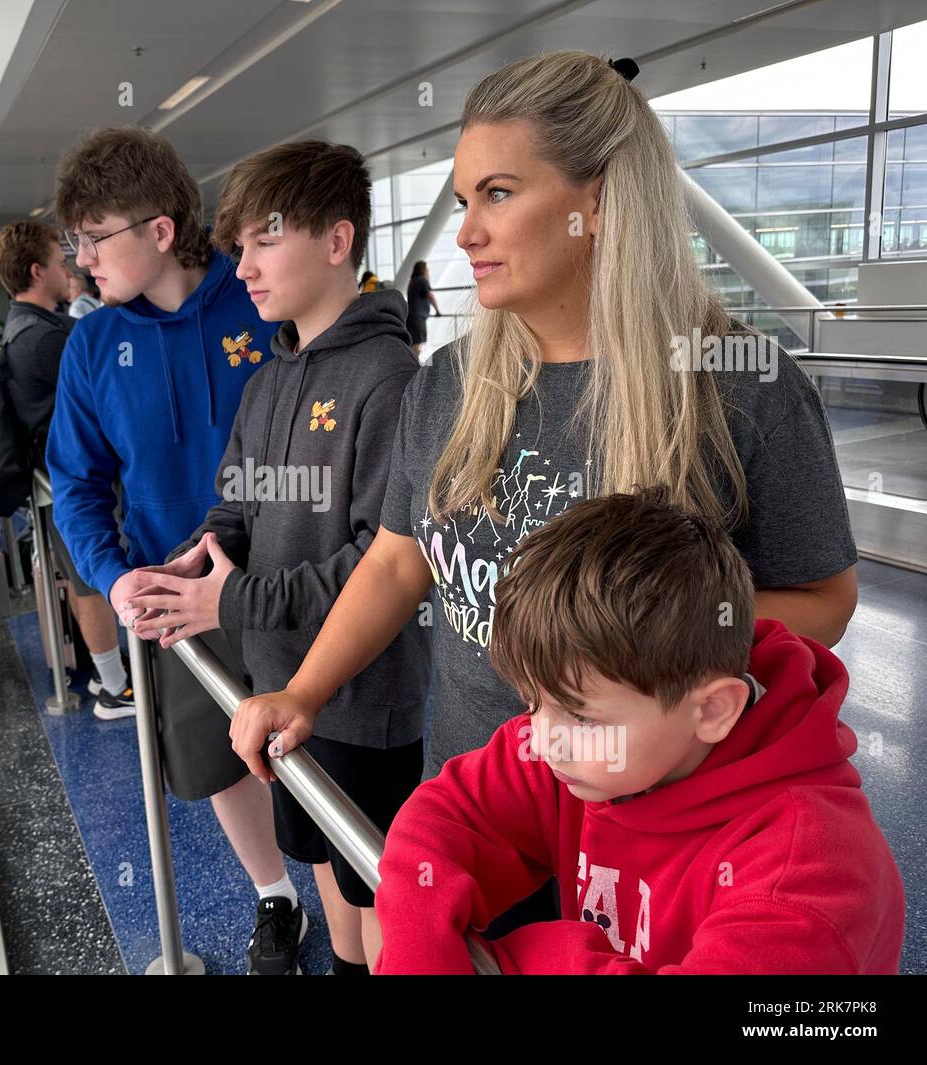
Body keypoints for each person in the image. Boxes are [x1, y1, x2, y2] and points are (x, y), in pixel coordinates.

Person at [227, 51, 859, 937]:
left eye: (497, 194)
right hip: (484, 805)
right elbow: (400, 562)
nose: (467, 234)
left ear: (598, 201)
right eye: (462, 201)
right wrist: (306, 690)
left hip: (654, 826)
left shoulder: (737, 385)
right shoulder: (448, 385)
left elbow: (826, 599)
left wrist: (646, 637)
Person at [373, 487, 905, 974]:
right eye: (532, 701)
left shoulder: (809, 872)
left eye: (582, 717)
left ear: (714, 710)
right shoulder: (593, 744)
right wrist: (421, 948)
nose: (542, 739)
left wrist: (522, 962)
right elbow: (447, 818)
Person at [125, 140, 429, 975]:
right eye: (239, 246)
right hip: (278, 686)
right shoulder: (268, 379)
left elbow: (383, 562)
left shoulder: (390, 380)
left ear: (337, 241)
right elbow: (235, 508)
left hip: (361, 699)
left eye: (266, 240)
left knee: (376, 890)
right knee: (324, 865)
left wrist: (235, 602)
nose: (245, 267)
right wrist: (190, 566)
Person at [44, 126, 297, 971]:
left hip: (294, 582)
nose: (81, 260)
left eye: (94, 237)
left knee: (325, 750)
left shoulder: (260, 295)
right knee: (219, 761)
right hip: (177, 600)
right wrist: (115, 579)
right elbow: (76, 484)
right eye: (73, 241)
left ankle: (354, 905)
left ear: (160, 229)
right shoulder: (91, 349)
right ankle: (275, 895)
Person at [0, 220, 134, 717]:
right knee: (90, 581)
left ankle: (108, 676)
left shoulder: (22, 329)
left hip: (51, 484)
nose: (69, 267)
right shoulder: (44, 341)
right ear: (36, 271)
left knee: (80, 578)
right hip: (68, 484)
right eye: (58, 261)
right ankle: (115, 688)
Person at [405, 260, 441, 355]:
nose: (428, 271)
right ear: (423, 270)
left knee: (414, 342)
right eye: (426, 269)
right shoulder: (422, 280)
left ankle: (412, 361)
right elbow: (431, 296)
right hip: (418, 317)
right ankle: (413, 363)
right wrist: (437, 311)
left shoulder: (412, 281)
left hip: (411, 316)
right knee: (418, 343)